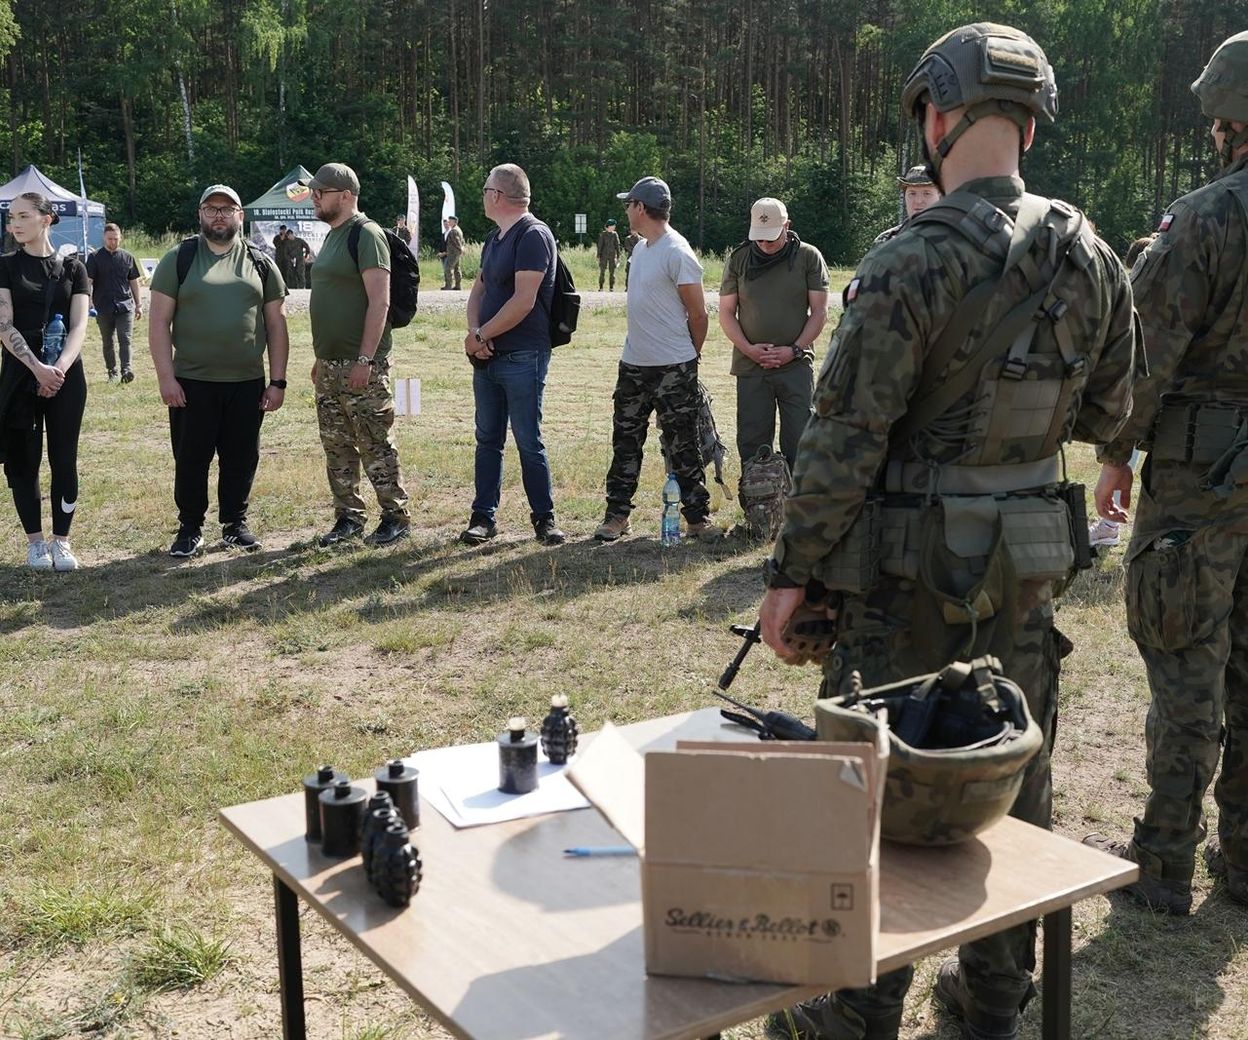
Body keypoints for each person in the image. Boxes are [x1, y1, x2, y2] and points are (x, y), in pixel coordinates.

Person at [757, 23, 1136, 1040]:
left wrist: (790, 574)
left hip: (908, 572)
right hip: (1027, 566)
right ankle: (993, 1001)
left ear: (938, 116)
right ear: (1026, 120)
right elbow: (1114, 409)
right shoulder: (1091, 253)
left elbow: (844, 439)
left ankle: (854, 1006)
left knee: (868, 782)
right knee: (1012, 775)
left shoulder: (910, 259)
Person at [1083, 30, 1248, 915]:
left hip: (1203, 477)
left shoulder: (1209, 218)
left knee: (1186, 659)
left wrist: (1117, 451)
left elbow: (1147, 353)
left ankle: (1163, 864)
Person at [148, 184, 289, 557]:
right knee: (191, 459)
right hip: (191, 383)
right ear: (200, 215)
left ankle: (234, 524)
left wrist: (277, 381)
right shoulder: (179, 259)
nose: (220, 215)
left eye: (228, 209)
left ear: (241, 216)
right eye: (212, 209)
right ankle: (189, 527)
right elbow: (159, 322)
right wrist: (166, 377)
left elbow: (277, 325)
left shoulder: (261, 262)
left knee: (241, 457)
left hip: (246, 383)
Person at [593, 176, 712, 542]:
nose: (626, 210)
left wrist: (689, 357)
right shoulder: (641, 248)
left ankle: (696, 518)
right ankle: (617, 516)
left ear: (641, 208)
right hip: (634, 364)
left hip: (673, 366)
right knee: (625, 440)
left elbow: (699, 314)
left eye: (629, 204)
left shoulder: (677, 251)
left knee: (682, 443)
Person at [303, 162, 411, 548]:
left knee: (375, 442)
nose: (314, 198)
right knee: (337, 446)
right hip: (331, 364)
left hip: (363, 365)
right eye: (313, 192)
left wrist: (365, 359)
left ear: (345, 195)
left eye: (321, 192)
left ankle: (395, 516)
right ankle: (348, 518)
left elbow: (379, 301)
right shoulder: (333, 236)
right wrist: (322, 357)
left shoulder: (366, 234)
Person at [461, 163, 565, 546]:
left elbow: (524, 301)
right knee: (487, 438)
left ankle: (544, 519)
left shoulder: (533, 236)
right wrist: (475, 335)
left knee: (527, 439)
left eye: (485, 189)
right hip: (488, 356)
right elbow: (479, 291)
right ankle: (482, 518)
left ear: (497, 196)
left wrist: (482, 334)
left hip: (523, 355)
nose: (483, 195)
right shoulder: (494, 239)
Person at [0, 192, 91, 571]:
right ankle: (36, 543)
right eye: (10, 218)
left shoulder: (75, 268)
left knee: (64, 457)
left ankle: (62, 542)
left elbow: (80, 325)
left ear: (47, 218)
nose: (14, 224)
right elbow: (4, 325)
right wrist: (37, 368)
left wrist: (59, 370)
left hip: (66, 377)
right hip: (21, 375)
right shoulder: (4, 266)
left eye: (23, 216)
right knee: (23, 460)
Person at [719, 197, 829, 469]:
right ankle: (758, 505)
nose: (765, 245)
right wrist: (749, 349)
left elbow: (819, 312)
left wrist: (794, 350)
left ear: (787, 225)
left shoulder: (808, 257)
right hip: (751, 366)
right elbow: (725, 313)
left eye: (771, 238)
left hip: (796, 365)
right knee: (753, 442)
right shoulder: (739, 259)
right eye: (759, 239)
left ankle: (799, 506)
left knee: (800, 440)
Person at [85, 222, 143, 384]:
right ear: (104, 238)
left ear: (121, 238)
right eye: (110, 239)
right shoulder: (95, 257)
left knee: (125, 339)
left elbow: (134, 282)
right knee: (107, 341)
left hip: (125, 306)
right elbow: (88, 281)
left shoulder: (128, 257)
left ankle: (127, 370)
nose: (113, 242)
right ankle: (112, 371)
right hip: (103, 307)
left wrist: (138, 304)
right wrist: (89, 303)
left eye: (116, 239)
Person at [873, 165, 943, 246]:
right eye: (912, 193)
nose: (918, 201)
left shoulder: (956, 241)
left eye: (927, 193)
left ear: (940, 197)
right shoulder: (886, 241)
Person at [597, 217, 621, 290]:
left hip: (612, 255)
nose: (614, 227)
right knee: (602, 271)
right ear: (609, 226)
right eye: (613, 225)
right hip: (603, 255)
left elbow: (617, 245)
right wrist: (598, 255)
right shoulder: (603, 234)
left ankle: (611, 287)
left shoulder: (615, 234)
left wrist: (618, 255)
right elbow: (600, 245)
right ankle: (601, 287)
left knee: (612, 272)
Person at [444, 215, 464, 291]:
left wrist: (460, 249)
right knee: (456, 269)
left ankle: (448, 285)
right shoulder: (458, 229)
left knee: (448, 268)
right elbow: (462, 241)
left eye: (450, 221)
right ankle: (458, 285)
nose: (448, 222)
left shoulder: (454, 231)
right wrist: (461, 249)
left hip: (453, 253)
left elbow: (457, 241)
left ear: (454, 222)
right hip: (457, 253)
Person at [437, 218, 451, 289]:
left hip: (448, 254)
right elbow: (441, 244)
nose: (445, 225)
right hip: (442, 254)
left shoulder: (451, 233)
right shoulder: (444, 233)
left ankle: (449, 285)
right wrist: (440, 252)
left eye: (446, 224)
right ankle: (447, 284)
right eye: (444, 224)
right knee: (445, 270)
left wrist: (445, 253)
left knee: (447, 269)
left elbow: (451, 246)